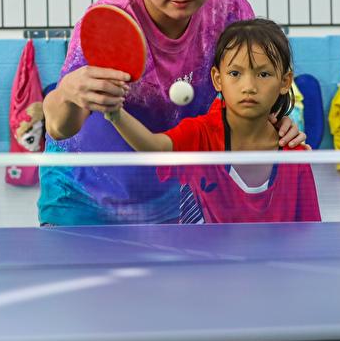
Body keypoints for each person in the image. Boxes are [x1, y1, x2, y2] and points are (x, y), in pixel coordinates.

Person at [40, 0, 303, 226]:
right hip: (81, 196)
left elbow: (246, 94)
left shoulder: (229, 9)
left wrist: (275, 123)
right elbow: (60, 127)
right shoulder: (111, 19)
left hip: (176, 193)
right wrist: (68, 92)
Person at [107, 19, 320, 223]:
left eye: (263, 74)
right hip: (199, 258)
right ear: (218, 79)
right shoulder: (201, 135)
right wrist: (115, 114)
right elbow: (155, 147)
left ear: (285, 82)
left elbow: (309, 232)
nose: (249, 86)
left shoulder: (295, 157)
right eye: (235, 73)